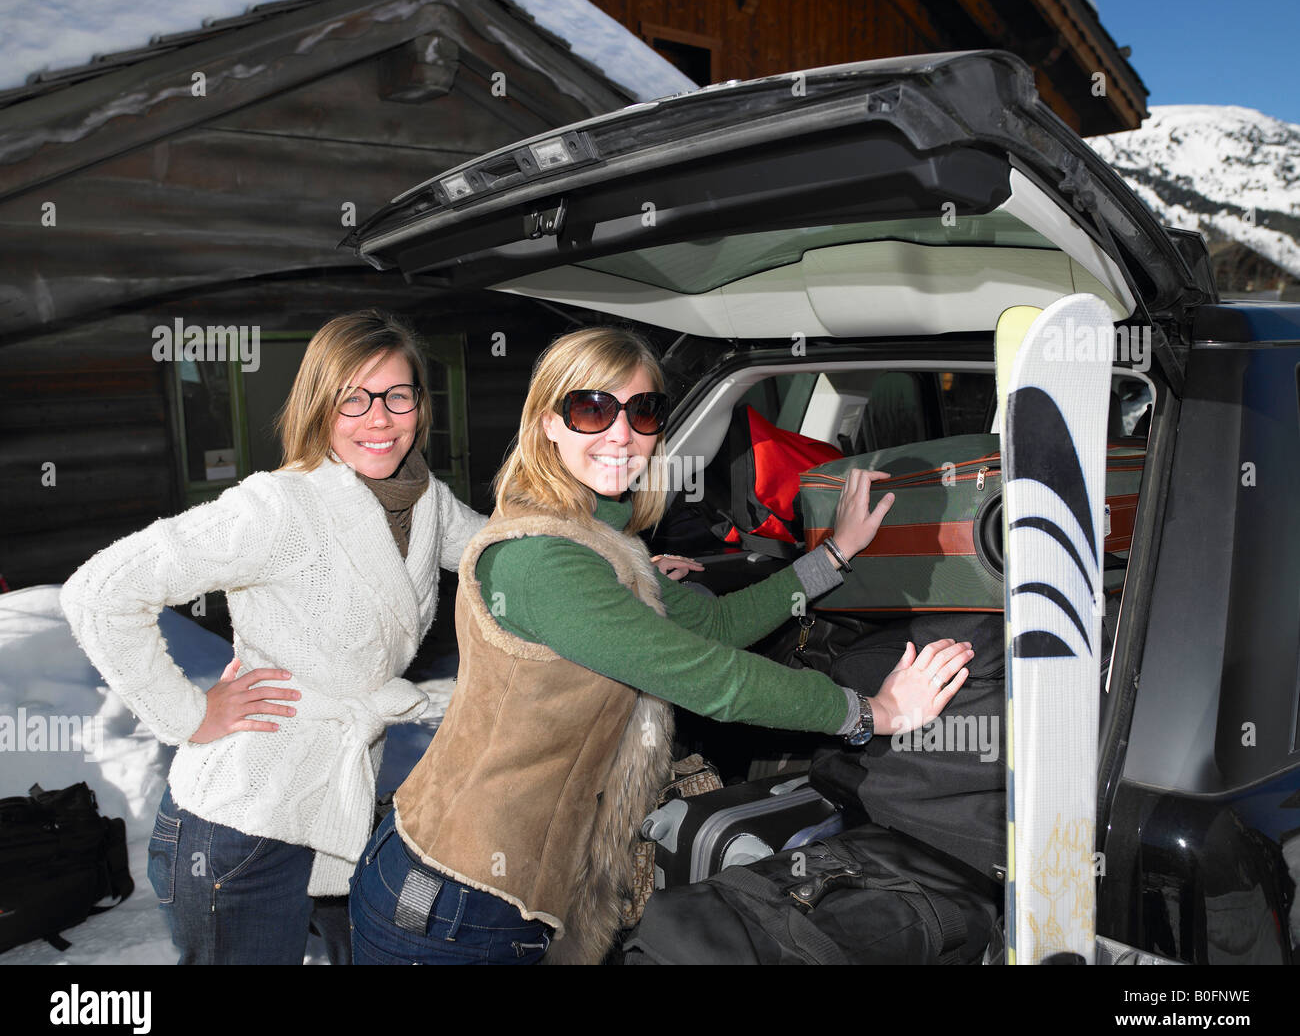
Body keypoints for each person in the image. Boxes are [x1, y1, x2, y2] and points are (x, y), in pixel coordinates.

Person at [348, 326, 974, 965]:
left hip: (502, 895)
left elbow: (713, 630)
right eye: (592, 409)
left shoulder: (603, 540)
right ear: (547, 425)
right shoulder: (542, 561)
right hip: (455, 899)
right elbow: (710, 677)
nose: (621, 434)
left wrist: (832, 556)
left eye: (641, 411)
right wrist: (876, 713)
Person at [60, 309, 489, 964]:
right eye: (354, 397)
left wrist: (612, 562)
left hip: (334, 808)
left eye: (397, 395)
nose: (379, 417)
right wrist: (188, 713)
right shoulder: (279, 509)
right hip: (238, 826)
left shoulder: (424, 499)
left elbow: (500, 552)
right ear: (321, 405)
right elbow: (100, 589)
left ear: (420, 406)